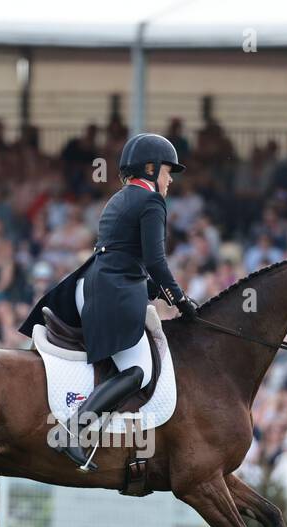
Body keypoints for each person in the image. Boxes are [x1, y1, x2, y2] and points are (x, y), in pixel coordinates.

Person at [19, 133, 198, 470]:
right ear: (149, 168)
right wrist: (180, 300)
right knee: (138, 370)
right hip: (113, 291)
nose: (170, 179)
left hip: (91, 285)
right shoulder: (151, 202)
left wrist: (159, 292)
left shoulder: (119, 198)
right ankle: (74, 430)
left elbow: (125, 259)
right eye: (166, 171)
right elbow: (156, 262)